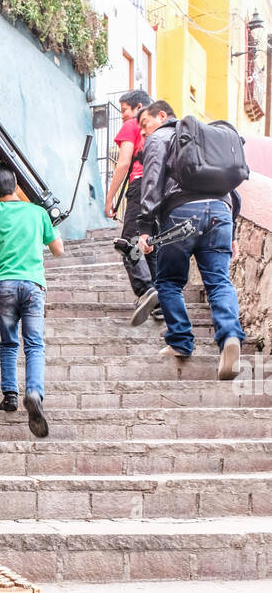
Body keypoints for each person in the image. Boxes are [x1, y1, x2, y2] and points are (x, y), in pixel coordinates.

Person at [136, 99, 244, 380]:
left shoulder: (161, 137)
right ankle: (230, 337)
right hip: (221, 210)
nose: (144, 133)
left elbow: (151, 182)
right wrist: (230, 228)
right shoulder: (207, 138)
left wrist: (145, 226)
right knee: (219, 280)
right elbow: (234, 189)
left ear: (162, 116)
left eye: (145, 125)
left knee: (169, 281)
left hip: (182, 211)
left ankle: (181, 342)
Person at [0, 160, 64, 437]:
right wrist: (49, 222)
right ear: (17, 185)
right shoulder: (37, 212)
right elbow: (58, 250)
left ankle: (9, 396)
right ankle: (34, 392)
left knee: (8, 343)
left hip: (4, 285)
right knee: (34, 344)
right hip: (33, 286)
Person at [104, 88, 159, 326]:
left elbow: (124, 161)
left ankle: (146, 289)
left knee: (130, 245)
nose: (123, 115)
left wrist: (110, 198)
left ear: (139, 108)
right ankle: (161, 304)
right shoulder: (161, 127)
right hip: (162, 190)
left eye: (124, 110)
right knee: (152, 247)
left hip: (140, 188)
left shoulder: (133, 124)